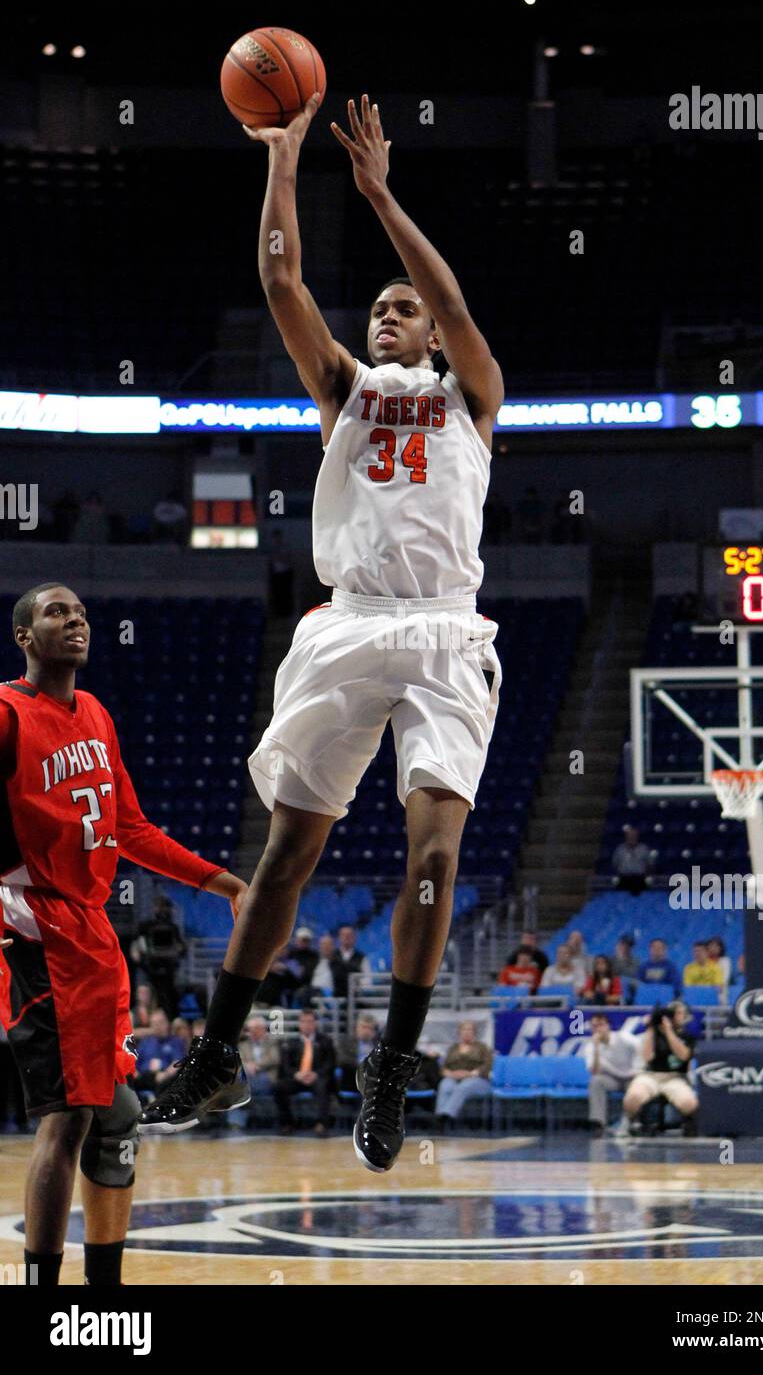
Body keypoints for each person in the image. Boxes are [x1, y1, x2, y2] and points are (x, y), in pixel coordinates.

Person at [140, 91, 504, 1180]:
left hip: (443, 631)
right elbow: (279, 280)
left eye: (405, 310)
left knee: (433, 857)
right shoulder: (342, 386)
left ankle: (391, 1064)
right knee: (287, 855)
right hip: (347, 624)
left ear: (432, 334)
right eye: (382, 309)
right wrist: (283, 164)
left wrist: (383, 196)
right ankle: (213, 1051)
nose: (391, 315)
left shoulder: (472, 395)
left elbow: (449, 294)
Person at [0, 583, 247, 1285]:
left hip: (95, 934)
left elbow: (129, 828)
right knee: (68, 1119)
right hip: (33, 927)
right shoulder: (7, 713)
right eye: (55, 613)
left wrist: (220, 881)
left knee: (116, 1120)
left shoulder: (97, 714)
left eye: (80, 613)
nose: (74, 621)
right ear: (24, 635)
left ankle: (102, 1294)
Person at [621, 1001, 699, 1137]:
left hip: (675, 1077)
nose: (678, 1016)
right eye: (675, 1013)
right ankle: (631, 1122)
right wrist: (651, 1028)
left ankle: (688, 1122)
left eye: (680, 1013)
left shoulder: (687, 1036)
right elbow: (647, 1057)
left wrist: (669, 1031)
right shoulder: (653, 1034)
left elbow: (683, 1056)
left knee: (689, 1104)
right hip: (650, 1075)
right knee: (632, 1098)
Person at [274, 1008, 336, 1136]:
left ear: (315, 1023)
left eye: (310, 1021)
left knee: (324, 1085)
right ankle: (288, 1123)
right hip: (297, 1078)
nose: (307, 1025)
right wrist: (296, 1074)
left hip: (316, 1077)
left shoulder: (326, 1041)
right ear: (299, 1024)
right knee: (279, 1087)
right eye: (304, 1021)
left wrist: (316, 1074)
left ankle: (321, 1124)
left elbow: (330, 1063)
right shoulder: (290, 1043)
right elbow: (285, 1065)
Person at [581, 1013, 639, 1135]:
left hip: (632, 1076)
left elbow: (642, 1047)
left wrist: (639, 1068)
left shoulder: (623, 1037)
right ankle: (598, 1123)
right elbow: (595, 1071)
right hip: (612, 1079)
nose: (598, 1029)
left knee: (636, 1087)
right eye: (594, 1026)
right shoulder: (590, 1046)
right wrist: (596, 1048)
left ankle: (631, 1122)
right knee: (596, 1081)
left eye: (601, 1025)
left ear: (608, 1026)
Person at [132, 895, 187, 1019]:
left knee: (170, 1000)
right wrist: (137, 951)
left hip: (169, 972)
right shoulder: (146, 926)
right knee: (147, 998)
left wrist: (178, 949)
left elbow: (182, 948)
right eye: (158, 907)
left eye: (164, 907)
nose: (161, 910)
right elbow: (135, 946)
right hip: (149, 970)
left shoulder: (173, 928)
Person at [434, 1020, 493, 1128]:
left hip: (477, 1080)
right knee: (445, 1085)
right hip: (454, 1077)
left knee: (464, 1086)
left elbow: (487, 1065)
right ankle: (439, 1118)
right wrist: (449, 1074)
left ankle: (446, 1116)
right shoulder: (453, 1048)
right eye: (464, 1029)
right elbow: (444, 1067)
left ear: (474, 1032)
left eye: (469, 1029)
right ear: (459, 1032)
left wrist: (471, 1073)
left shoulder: (482, 1047)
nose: (466, 1032)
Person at [132, 1009, 185, 1099]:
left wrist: (165, 1074)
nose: (158, 1026)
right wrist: (135, 1073)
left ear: (167, 1023)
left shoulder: (175, 1041)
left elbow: (178, 1062)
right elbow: (134, 1063)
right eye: (154, 1024)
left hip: (165, 1078)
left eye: (160, 1022)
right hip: (144, 1078)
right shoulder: (145, 1042)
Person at [238, 1017, 281, 1104]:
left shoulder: (272, 1042)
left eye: (256, 1028)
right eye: (250, 1029)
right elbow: (239, 1060)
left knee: (241, 1089)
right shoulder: (243, 1045)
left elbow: (274, 1058)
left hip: (267, 1076)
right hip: (248, 1075)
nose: (252, 1032)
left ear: (263, 1029)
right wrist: (247, 1066)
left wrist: (256, 1066)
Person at [337, 1013, 380, 1094]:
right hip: (353, 1077)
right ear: (357, 1028)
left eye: (370, 1028)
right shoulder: (346, 1042)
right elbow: (341, 1059)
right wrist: (362, 1067)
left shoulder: (378, 1045)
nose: (366, 1031)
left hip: (374, 1078)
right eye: (364, 1027)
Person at [611, 825, 655, 894]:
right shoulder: (619, 849)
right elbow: (615, 864)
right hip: (624, 879)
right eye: (630, 836)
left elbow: (650, 864)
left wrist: (646, 874)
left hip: (639, 879)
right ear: (626, 837)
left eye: (634, 836)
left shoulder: (644, 849)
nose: (632, 838)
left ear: (637, 837)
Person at [329, 925, 367, 1000]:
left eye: (349, 935)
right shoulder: (332, 957)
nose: (346, 937)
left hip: (355, 998)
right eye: (344, 935)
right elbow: (327, 979)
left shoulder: (362, 958)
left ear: (354, 938)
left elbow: (366, 981)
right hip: (335, 998)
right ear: (339, 938)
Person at [565, 930, 593, 994]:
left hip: (582, 990)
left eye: (578, 939)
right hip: (565, 988)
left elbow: (591, 978)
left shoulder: (589, 960)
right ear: (568, 941)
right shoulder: (563, 958)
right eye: (573, 938)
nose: (575, 941)